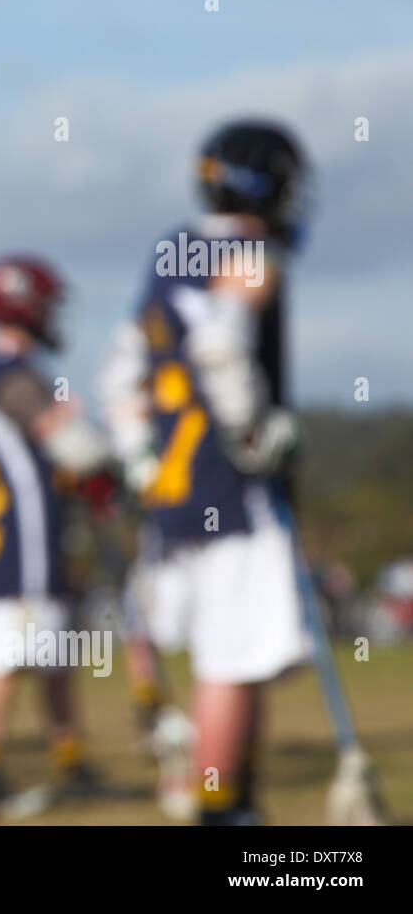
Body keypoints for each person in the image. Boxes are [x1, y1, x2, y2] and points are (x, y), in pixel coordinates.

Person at [98, 120, 313, 824]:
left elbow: (121, 372)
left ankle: (226, 795)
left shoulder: (171, 253)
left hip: (174, 492)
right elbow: (221, 347)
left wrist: (136, 456)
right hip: (232, 489)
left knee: (219, 652)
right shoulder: (251, 254)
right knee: (234, 660)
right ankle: (220, 808)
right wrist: (255, 429)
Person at [0, 256, 115, 819]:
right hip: (16, 544)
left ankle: (70, 761)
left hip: (23, 541)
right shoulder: (10, 372)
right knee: (5, 656)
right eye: (45, 304)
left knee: (55, 654)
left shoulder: (4, 369)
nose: (53, 316)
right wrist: (101, 457)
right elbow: (64, 437)